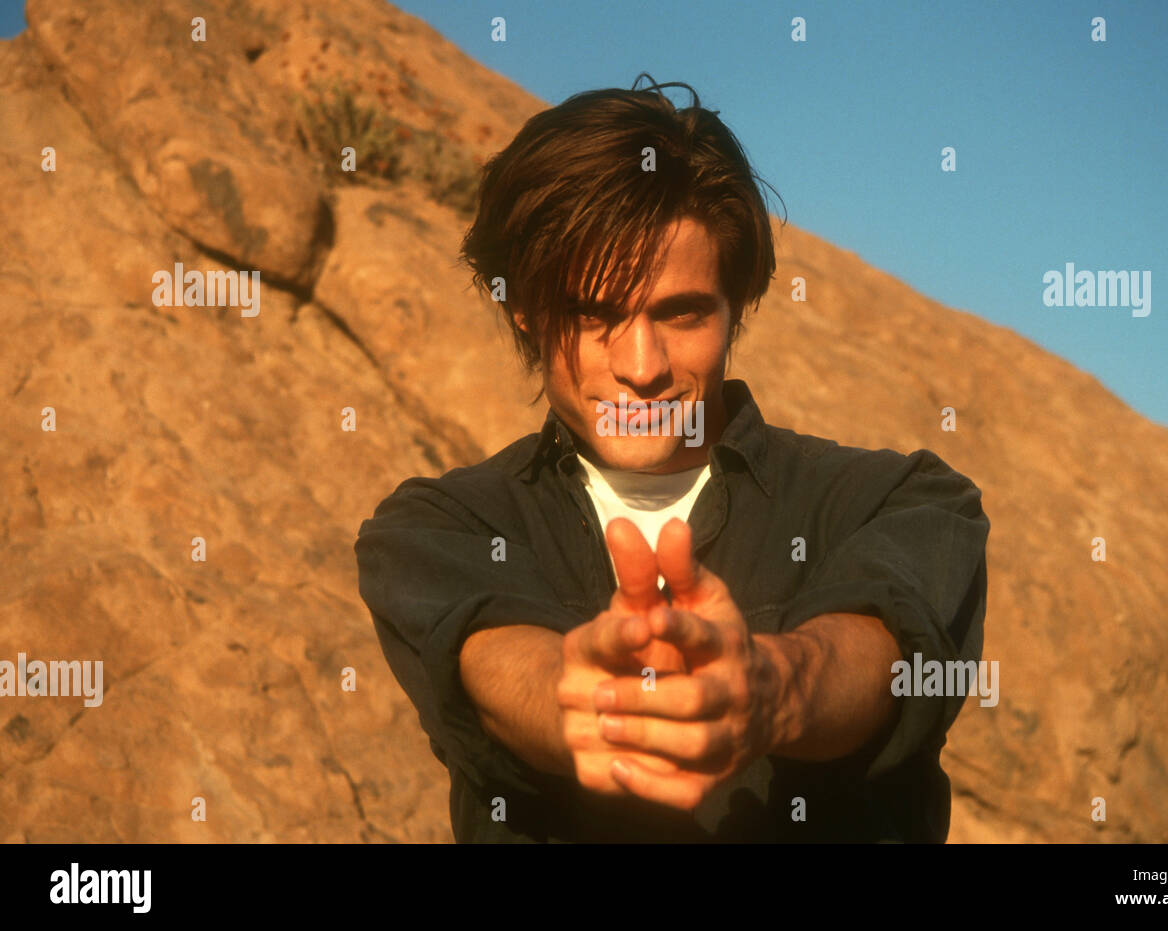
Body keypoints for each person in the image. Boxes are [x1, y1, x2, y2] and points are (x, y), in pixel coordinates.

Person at [354, 76, 989, 842]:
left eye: (681, 313)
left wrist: (770, 687)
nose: (642, 365)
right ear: (522, 309)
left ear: (736, 305)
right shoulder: (435, 528)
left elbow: (886, 648)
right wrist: (580, 696)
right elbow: (491, 659)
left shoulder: (901, 501)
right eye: (592, 314)